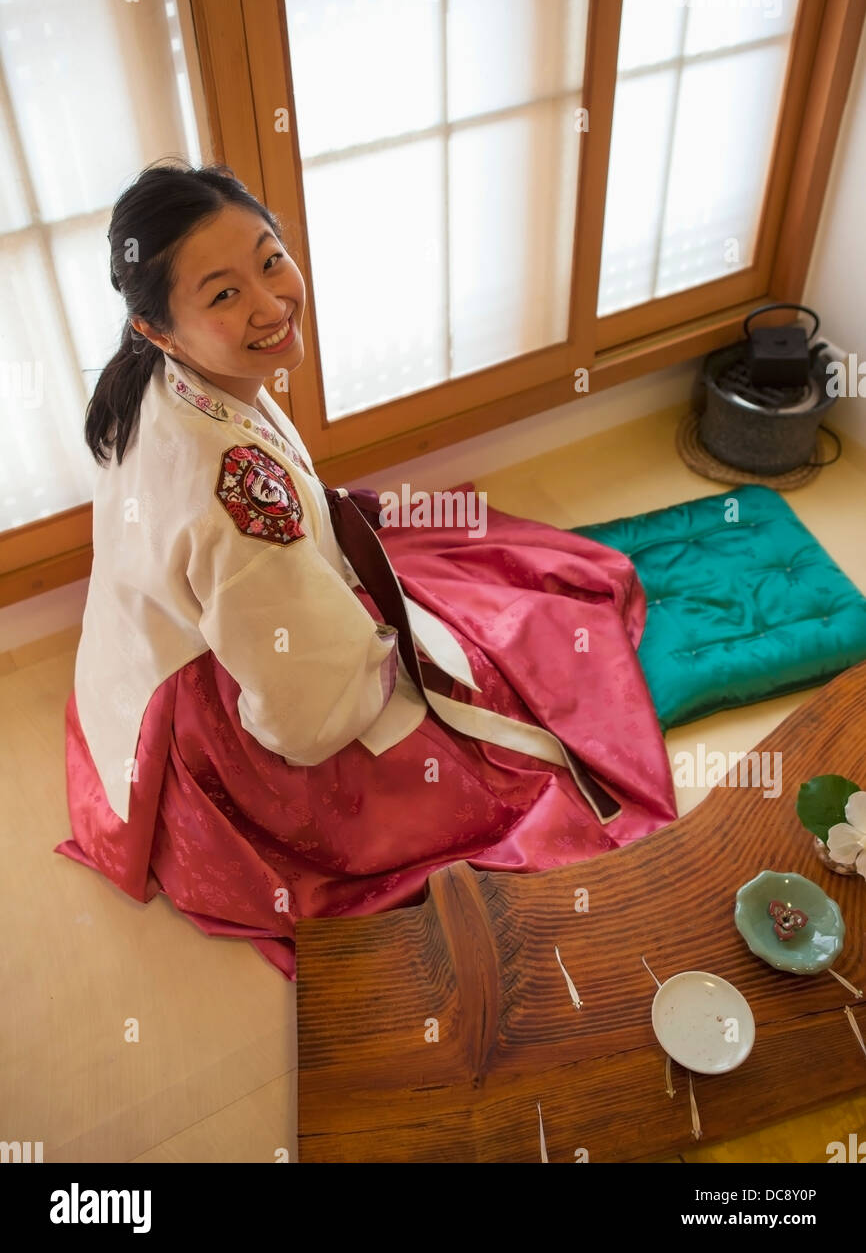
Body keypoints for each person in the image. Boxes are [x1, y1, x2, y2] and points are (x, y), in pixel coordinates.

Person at [56, 160, 676, 981]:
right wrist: (376, 659)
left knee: (465, 586)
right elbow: (311, 717)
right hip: (230, 718)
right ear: (159, 333)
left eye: (269, 260)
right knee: (510, 770)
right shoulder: (239, 496)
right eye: (223, 294)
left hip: (135, 672)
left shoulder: (150, 386)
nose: (272, 303)